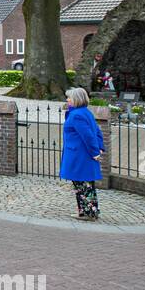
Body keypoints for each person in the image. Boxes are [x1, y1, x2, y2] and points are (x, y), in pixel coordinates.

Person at [59, 87, 105, 221]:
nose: (67, 100)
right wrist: (100, 147)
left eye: (69, 97)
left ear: (77, 99)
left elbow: (88, 136)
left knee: (82, 185)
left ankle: (87, 213)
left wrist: (95, 151)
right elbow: (97, 132)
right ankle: (90, 211)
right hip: (82, 155)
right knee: (86, 185)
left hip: (79, 156)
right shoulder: (86, 112)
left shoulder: (77, 115)